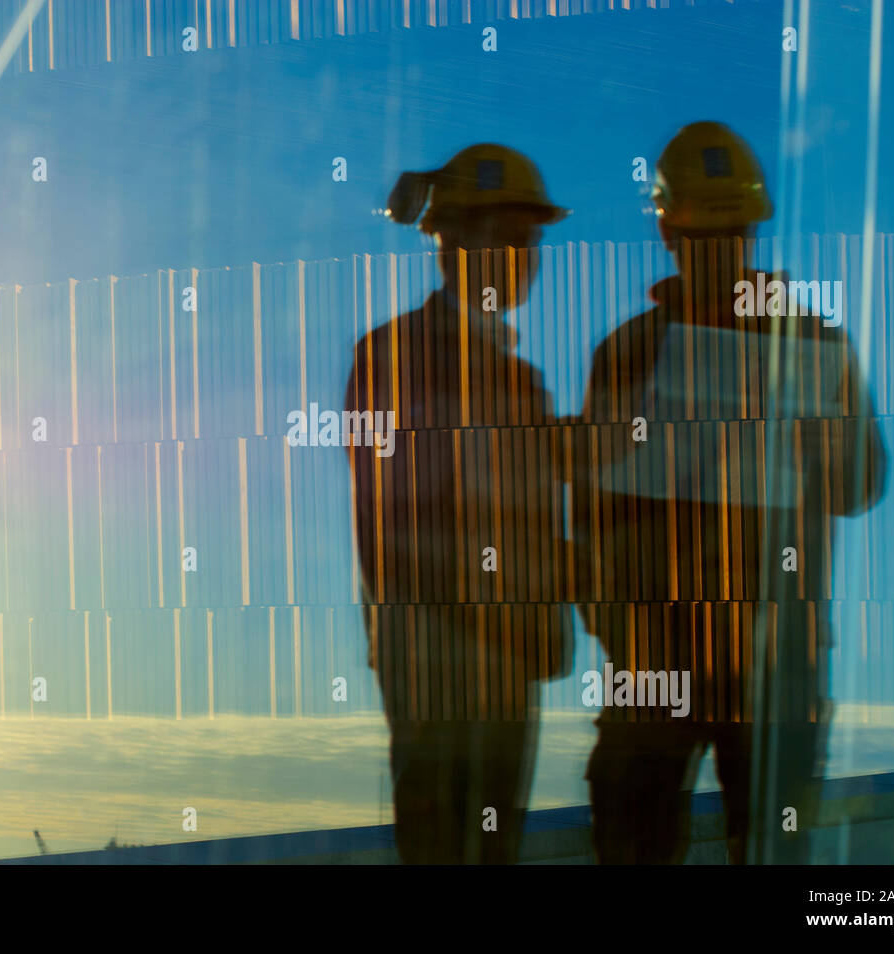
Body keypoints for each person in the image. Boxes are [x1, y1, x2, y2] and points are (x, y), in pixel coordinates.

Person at [571, 121, 888, 863]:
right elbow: (589, 507)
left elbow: (864, 481)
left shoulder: (815, 345)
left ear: (749, 237)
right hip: (660, 655)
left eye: (731, 236)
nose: (719, 252)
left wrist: (829, 445)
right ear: (672, 238)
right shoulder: (627, 354)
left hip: (771, 661)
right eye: (704, 236)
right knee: (632, 841)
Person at [343, 143, 575, 863]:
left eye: (531, 242)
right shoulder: (389, 356)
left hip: (505, 656)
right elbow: (400, 516)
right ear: (452, 245)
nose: (526, 256)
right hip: (443, 660)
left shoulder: (523, 384)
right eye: (510, 237)